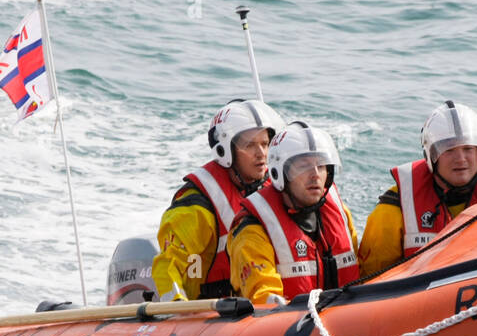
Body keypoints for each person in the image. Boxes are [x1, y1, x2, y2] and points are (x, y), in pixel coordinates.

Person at [357, 101, 477, 278]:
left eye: (468, 149)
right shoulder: (395, 209)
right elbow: (370, 279)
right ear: (432, 157)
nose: (460, 158)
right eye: (449, 150)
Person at [151, 99, 286, 301]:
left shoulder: (279, 190)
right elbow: (168, 266)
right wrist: (177, 307)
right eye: (250, 145)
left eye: (265, 144)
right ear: (225, 150)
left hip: (268, 305)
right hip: (212, 313)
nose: (262, 154)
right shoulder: (197, 207)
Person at [227, 121, 360, 305]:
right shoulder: (253, 229)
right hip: (286, 327)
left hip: (347, 318)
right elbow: (262, 292)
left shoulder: (341, 214)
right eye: (303, 166)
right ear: (280, 174)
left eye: (321, 166)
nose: (315, 174)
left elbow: (369, 273)